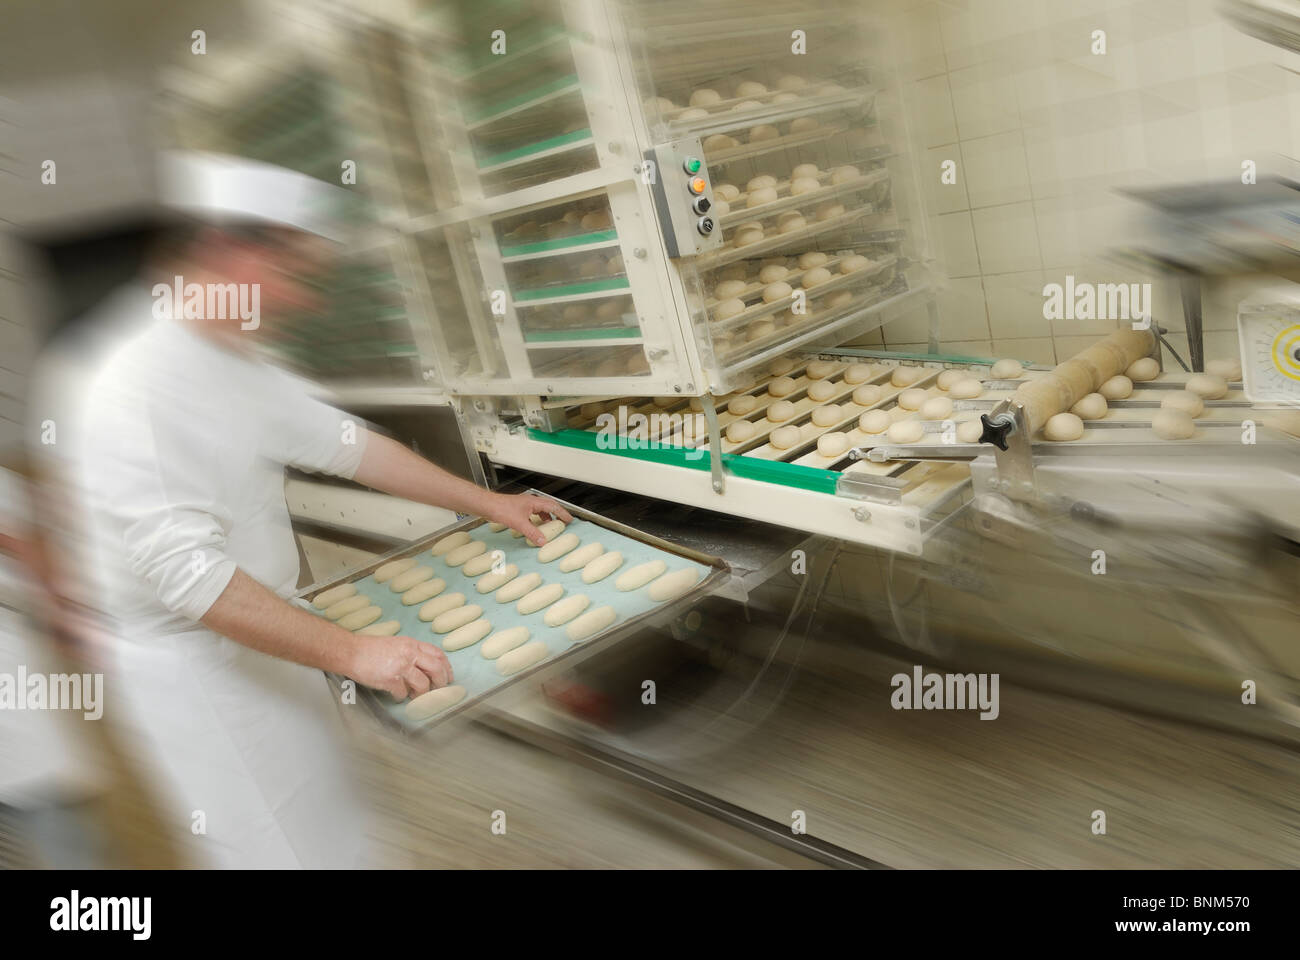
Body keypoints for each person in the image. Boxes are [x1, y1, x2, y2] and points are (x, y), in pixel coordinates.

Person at [29, 152, 571, 868]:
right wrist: (356, 652)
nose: (305, 300)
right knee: (276, 853)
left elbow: (348, 447)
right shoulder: (133, 385)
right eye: (295, 274)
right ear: (227, 252)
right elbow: (188, 580)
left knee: (336, 839)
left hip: (269, 641)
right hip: (204, 678)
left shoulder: (228, 356)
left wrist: (488, 502)